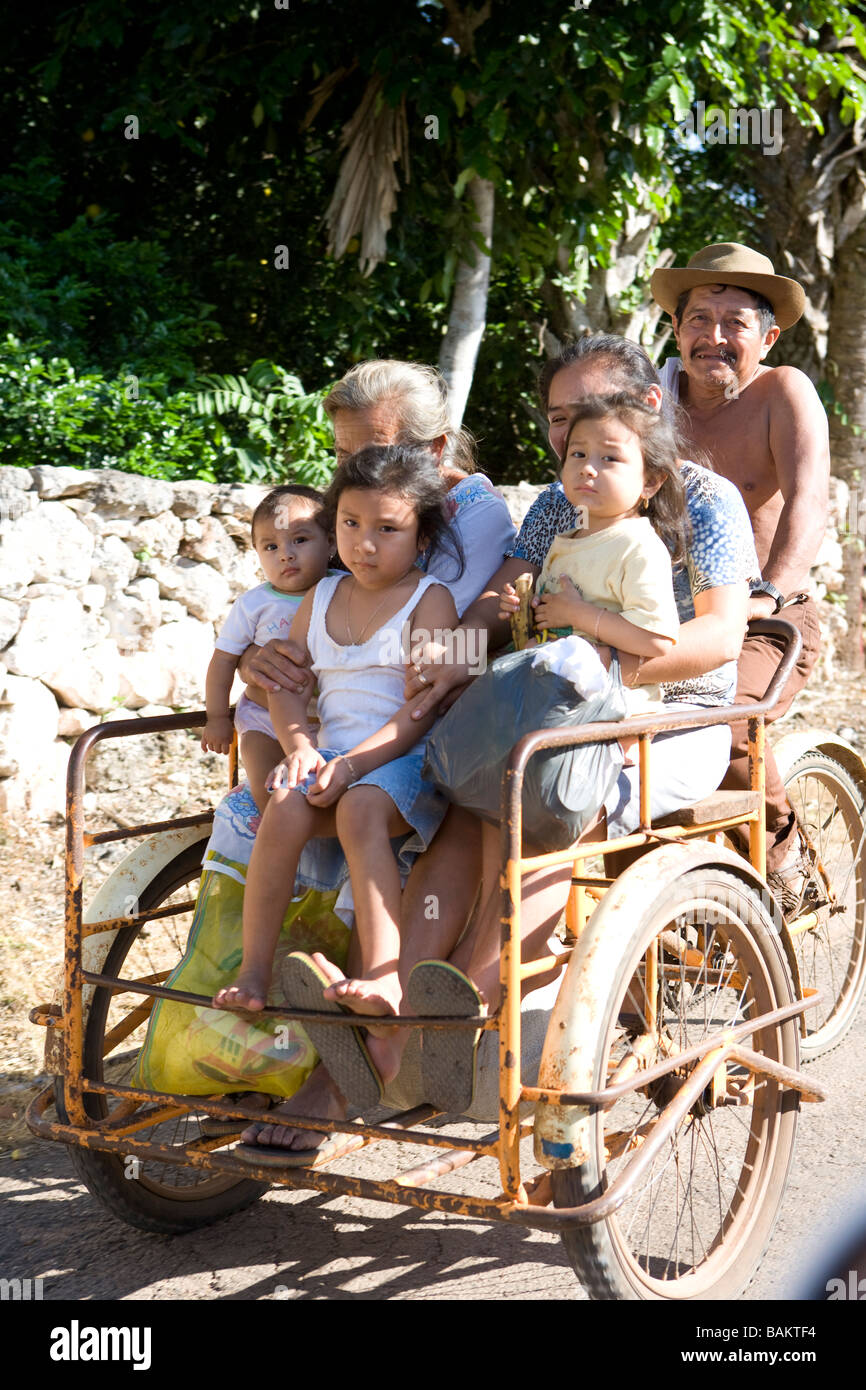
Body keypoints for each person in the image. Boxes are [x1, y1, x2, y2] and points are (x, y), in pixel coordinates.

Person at [245, 335, 760, 1154]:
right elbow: (495, 608)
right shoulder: (559, 504)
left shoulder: (703, 498)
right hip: (543, 711)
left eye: (593, 415)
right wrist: (440, 664)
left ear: (650, 410)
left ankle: (455, 1015)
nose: (572, 438)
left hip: (670, 715)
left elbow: (717, 642)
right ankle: (392, 1004)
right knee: (461, 804)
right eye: (560, 420)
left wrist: (588, 650)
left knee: (543, 797)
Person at [213, 444, 460, 1101]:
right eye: (350, 525)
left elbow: (422, 709)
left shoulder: (431, 601)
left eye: (387, 529)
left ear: (423, 534)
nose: (365, 544)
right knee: (285, 805)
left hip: (405, 762)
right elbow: (286, 684)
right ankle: (257, 972)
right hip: (330, 758)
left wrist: (352, 764)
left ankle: (386, 975)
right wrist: (299, 747)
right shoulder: (320, 595)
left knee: (358, 809)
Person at [650, 242, 830, 906]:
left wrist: (770, 591)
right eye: (699, 319)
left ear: (768, 336)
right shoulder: (651, 401)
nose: (714, 338)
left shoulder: (784, 391)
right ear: (675, 329)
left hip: (770, 616)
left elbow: (810, 501)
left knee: (722, 721)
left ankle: (784, 855)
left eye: (735, 324)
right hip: (669, 615)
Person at [500, 392, 683, 761]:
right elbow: (557, 627)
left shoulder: (639, 547)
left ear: (651, 482)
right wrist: (527, 610)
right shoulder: (565, 541)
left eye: (609, 458)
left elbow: (658, 639)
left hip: (617, 717)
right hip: (560, 706)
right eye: (578, 455)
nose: (587, 468)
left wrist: (580, 615)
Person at [200, 485, 334, 811]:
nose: (285, 554)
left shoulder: (343, 590)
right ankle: (267, 834)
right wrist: (217, 717)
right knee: (268, 788)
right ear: (257, 554)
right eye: (271, 546)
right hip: (262, 719)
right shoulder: (254, 604)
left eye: (300, 540)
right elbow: (223, 661)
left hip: (326, 721)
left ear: (331, 542)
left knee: (318, 793)